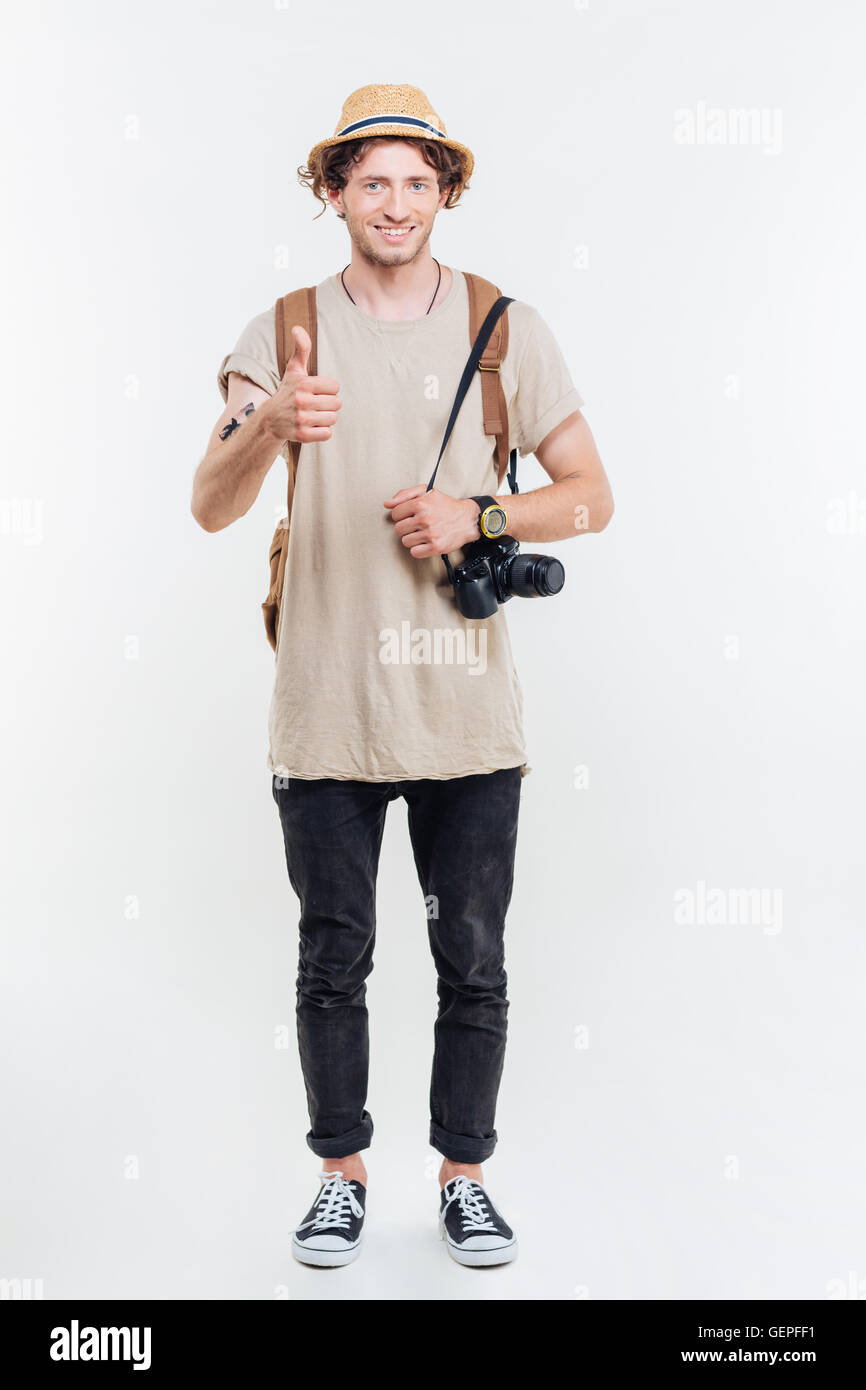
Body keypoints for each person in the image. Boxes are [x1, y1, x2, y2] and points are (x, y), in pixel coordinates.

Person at [192, 83, 614, 1269]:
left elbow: (589, 494)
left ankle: (464, 1178)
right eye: (369, 180)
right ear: (331, 193)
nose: (394, 202)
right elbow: (208, 502)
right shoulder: (283, 330)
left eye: (416, 182)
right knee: (333, 956)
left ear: (445, 193)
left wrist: (475, 505)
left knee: (470, 958)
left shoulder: (502, 326)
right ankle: (339, 1175)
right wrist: (270, 424)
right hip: (325, 710)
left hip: (468, 719)